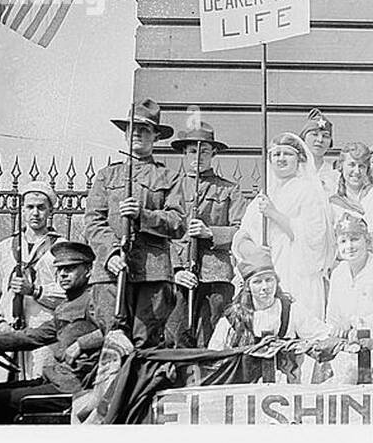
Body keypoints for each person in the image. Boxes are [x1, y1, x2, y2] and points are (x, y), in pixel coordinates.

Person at [85, 98, 185, 348]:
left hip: (152, 273)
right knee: (112, 342)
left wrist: (144, 215)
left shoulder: (168, 177)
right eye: (132, 128)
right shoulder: (107, 176)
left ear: (156, 137)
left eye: (145, 129)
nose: (137, 134)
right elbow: (93, 222)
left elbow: (178, 222)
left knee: (145, 343)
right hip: (110, 272)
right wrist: (110, 254)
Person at [0, 240, 107, 423]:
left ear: (88, 271)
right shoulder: (65, 306)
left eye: (71, 268)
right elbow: (32, 337)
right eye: (59, 270)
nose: (63, 274)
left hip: (74, 387)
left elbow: (116, 331)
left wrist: (81, 344)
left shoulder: (95, 300)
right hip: (57, 379)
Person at [233, 133, 336, 318]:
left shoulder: (308, 191)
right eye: (276, 154)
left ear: (299, 159)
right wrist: (252, 251)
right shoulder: (265, 193)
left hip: (296, 268)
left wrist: (274, 214)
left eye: (287, 154)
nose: (281, 158)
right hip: (266, 268)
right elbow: (245, 232)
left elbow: (314, 235)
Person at [166, 122, 245, 348]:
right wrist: (176, 270)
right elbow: (162, 233)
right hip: (180, 274)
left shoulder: (229, 189)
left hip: (215, 275)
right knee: (175, 333)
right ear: (184, 153)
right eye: (192, 151)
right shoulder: (173, 188)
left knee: (213, 332)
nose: (198, 156)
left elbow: (242, 231)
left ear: (214, 154)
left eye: (204, 151)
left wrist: (209, 232)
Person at [0, 181, 64, 378]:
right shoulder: (4, 249)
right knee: (6, 392)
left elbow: (69, 295)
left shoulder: (61, 249)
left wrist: (35, 291)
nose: (35, 213)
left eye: (41, 207)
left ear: (50, 211)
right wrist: (0, 324)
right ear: (22, 210)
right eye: (30, 207)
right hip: (8, 332)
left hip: (43, 334)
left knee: (36, 392)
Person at [207, 242, 330, 352]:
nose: (265, 287)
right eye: (257, 282)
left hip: (284, 376)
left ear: (276, 281)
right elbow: (214, 354)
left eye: (269, 280)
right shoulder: (233, 318)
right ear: (248, 287)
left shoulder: (291, 311)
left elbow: (322, 335)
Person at [324, 214, 373, 384]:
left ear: (367, 241)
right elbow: (332, 319)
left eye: (355, 239)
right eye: (343, 241)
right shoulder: (338, 274)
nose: (349, 246)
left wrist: (352, 323)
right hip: (345, 358)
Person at [328, 141, 371, 224]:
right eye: (351, 165)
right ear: (341, 166)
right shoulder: (333, 203)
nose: (357, 171)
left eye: (362, 166)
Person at [302, 108, 339, 196]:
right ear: (303, 138)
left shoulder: (335, 174)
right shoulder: (294, 170)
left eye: (325, 136)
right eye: (314, 134)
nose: (320, 140)